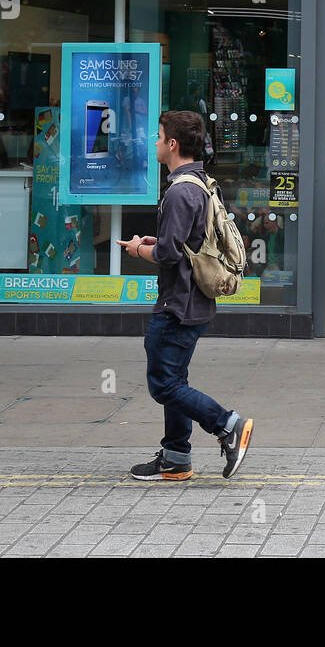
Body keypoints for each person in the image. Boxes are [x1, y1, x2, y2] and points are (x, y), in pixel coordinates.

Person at [117, 110, 254, 481]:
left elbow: (169, 254)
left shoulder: (180, 191)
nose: (155, 142)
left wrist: (139, 249)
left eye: (159, 136)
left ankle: (228, 425)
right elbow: (186, 242)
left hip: (178, 304)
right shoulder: (202, 182)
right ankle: (176, 456)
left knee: (164, 384)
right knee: (175, 379)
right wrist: (154, 242)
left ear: (173, 144)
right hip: (195, 301)